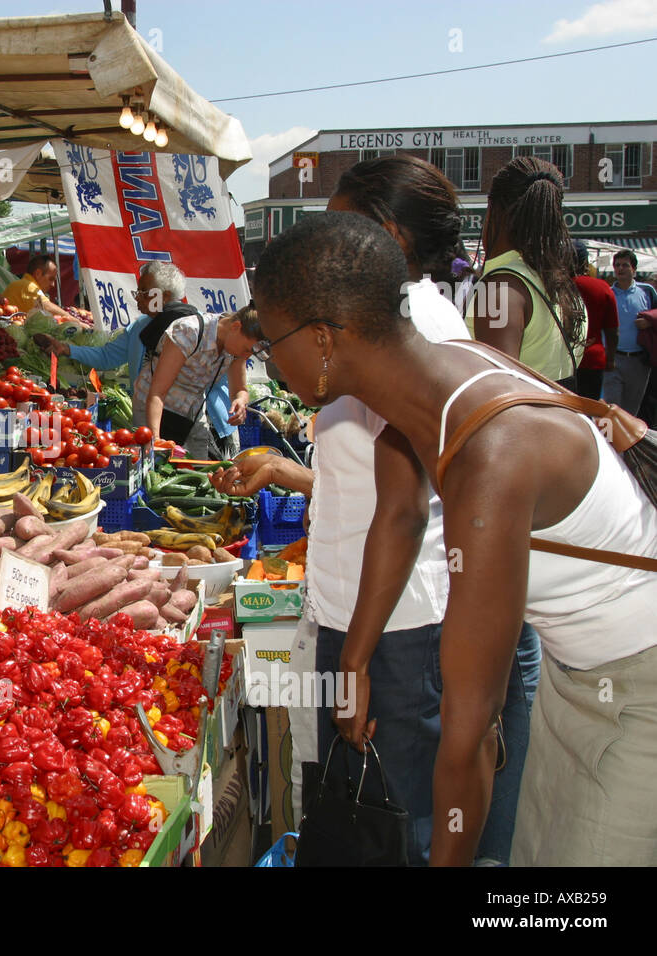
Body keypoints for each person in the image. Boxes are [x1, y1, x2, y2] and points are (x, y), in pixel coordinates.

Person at [253, 210, 657, 867]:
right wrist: (354, 663)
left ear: (325, 340)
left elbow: (469, 740)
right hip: (575, 671)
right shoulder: (433, 375)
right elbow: (402, 512)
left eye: (274, 339)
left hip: (640, 685)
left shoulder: (491, 463)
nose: (270, 356)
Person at [217, 154, 535, 865]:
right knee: (361, 816)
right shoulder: (379, 318)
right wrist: (286, 471)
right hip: (358, 615)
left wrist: (356, 656)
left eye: (339, 224)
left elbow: (405, 508)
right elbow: (369, 477)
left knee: (396, 820)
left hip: (396, 627)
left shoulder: (406, 321)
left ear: (384, 234)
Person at [33, 261, 213, 433]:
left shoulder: (193, 326)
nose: (138, 299)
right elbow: (107, 356)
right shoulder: (140, 326)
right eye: (138, 292)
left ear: (164, 296)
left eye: (144, 292)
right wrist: (66, 349)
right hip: (145, 417)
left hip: (184, 421)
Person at [466, 156, 584, 389]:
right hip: (561, 418)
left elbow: (498, 390)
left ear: (493, 209)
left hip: (521, 421)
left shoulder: (500, 288)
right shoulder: (559, 283)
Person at [145, 305, 260, 457]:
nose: (246, 356)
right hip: (153, 412)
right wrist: (155, 440)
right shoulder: (189, 330)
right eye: (246, 349)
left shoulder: (236, 350)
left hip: (192, 414)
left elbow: (240, 389)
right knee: (156, 468)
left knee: (199, 466)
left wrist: (240, 401)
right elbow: (157, 391)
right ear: (236, 326)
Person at [605, 248, 656, 414]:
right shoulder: (608, 294)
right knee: (612, 409)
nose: (620, 269)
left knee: (630, 412)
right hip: (613, 359)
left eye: (625, 265)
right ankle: (609, 440)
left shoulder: (647, 292)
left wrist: (649, 322)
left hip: (639, 361)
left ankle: (626, 441)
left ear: (634, 269)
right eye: (617, 265)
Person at [572, 241, 618, 402]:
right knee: (588, 412)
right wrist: (611, 358)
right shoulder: (602, 287)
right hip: (593, 359)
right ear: (585, 262)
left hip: (562, 360)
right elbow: (612, 330)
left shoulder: (555, 286)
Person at [4, 254, 69, 320]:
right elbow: (46, 307)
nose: (53, 284)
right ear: (38, 273)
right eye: (51, 279)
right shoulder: (28, 286)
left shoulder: (22, 284)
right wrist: (75, 321)